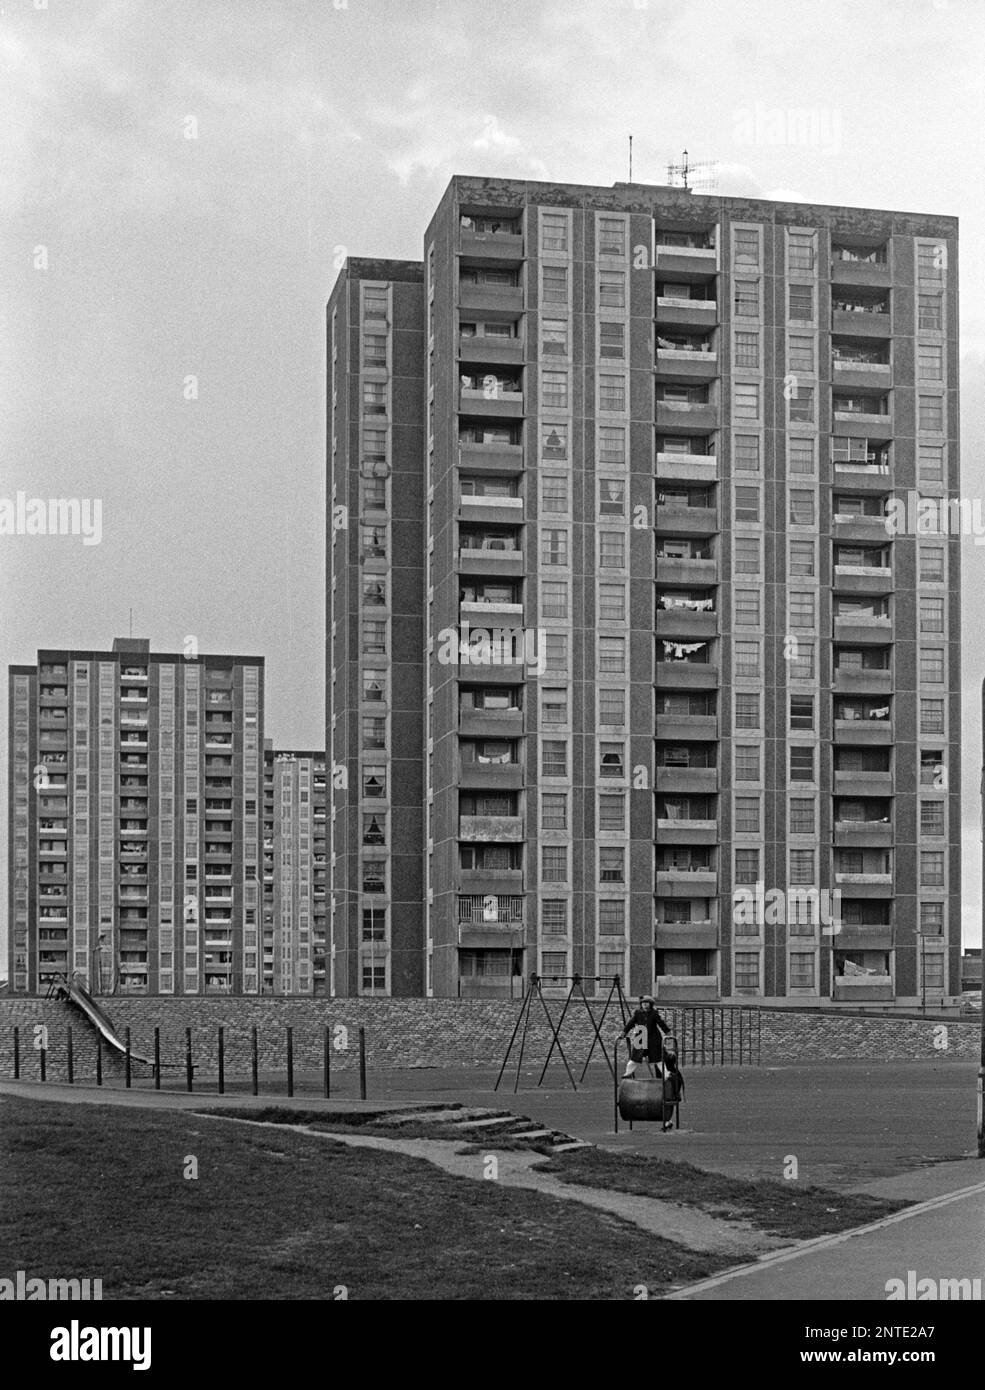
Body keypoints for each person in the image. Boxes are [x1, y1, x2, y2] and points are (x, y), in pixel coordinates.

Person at [620, 996, 670, 1079]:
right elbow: (630, 1023)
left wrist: (667, 1032)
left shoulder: (654, 1013)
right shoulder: (638, 1013)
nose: (644, 1005)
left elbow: (661, 1023)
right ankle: (627, 1073)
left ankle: (667, 1075)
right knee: (634, 1058)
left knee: (658, 1059)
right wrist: (624, 1032)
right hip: (640, 1037)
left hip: (653, 1039)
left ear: (650, 1004)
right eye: (643, 1003)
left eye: (646, 1003)